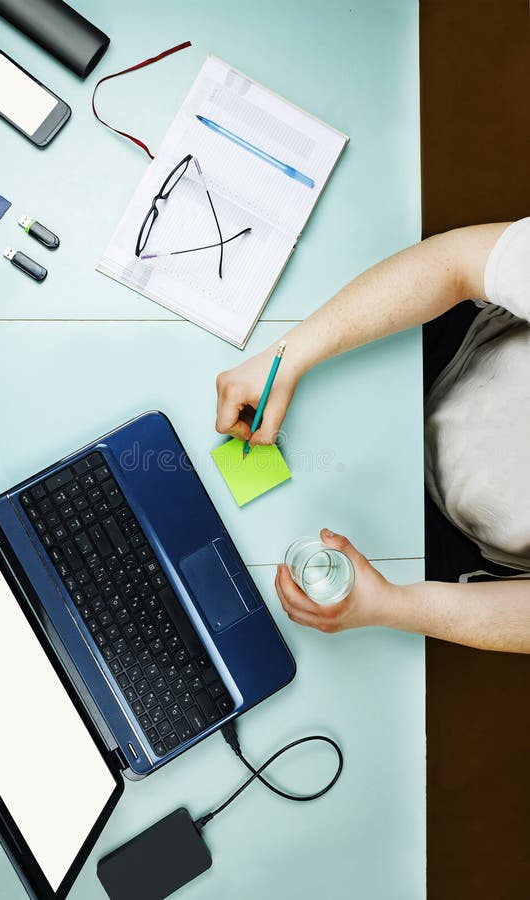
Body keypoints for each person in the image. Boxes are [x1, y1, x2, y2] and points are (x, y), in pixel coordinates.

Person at [215, 220, 530, 653]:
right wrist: (286, 357)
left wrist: (388, 606)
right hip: (439, 351)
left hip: (456, 548)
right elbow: (457, 262)